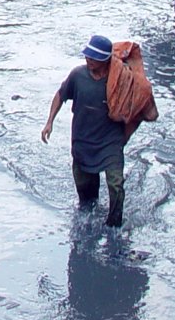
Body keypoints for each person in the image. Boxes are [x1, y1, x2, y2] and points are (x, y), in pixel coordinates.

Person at [41, 35, 131, 227]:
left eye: (93, 58)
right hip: (83, 140)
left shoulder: (119, 80)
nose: (88, 60)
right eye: (87, 57)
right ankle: (87, 219)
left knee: (116, 184)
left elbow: (135, 104)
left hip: (110, 141)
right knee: (86, 193)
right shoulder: (78, 76)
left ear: (105, 60)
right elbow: (60, 95)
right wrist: (50, 122)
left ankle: (114, 226)